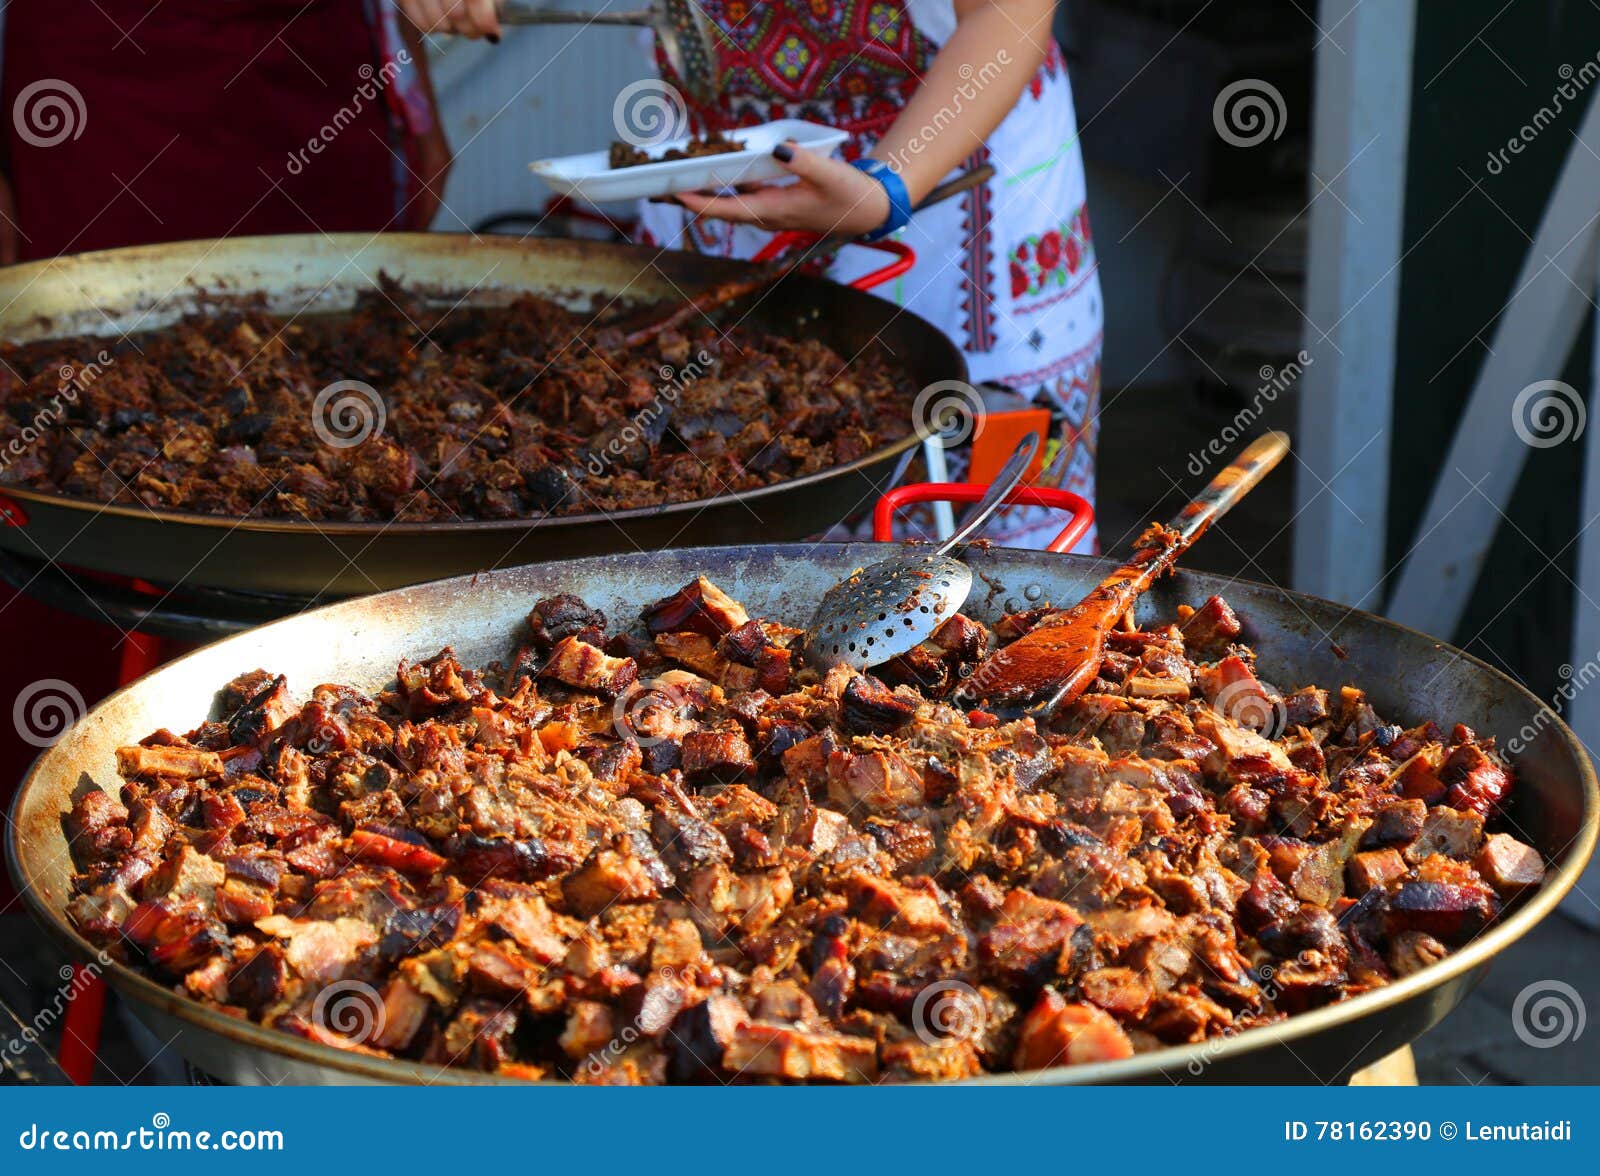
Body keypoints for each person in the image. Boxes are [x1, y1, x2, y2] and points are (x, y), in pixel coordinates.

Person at [402, 0, 1103, 552]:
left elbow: (1006, 14)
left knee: (981, 561)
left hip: (948, 180)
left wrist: (886, 186)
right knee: (709, 528)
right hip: (714, 170)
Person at [0, 0, 453, 840]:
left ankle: (359, 813)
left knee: (362, 408)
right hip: (101, 90)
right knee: (76, 470)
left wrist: (413, 89)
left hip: (309, 69)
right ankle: (61, 836)